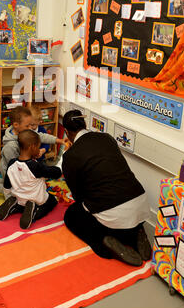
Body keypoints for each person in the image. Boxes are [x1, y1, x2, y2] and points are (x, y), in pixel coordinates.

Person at [61, 109, 152, 267]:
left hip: (112, 213)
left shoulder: (70, 156)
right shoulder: (106, 138)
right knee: (118, 209)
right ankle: (137, 232)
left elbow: (78, 196)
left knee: (72, 215)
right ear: (85, 124)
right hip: (139, 200)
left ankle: (104, 243)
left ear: (67, 132)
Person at [0, 130, 61, 229]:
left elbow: (7, 185)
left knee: (20, 204)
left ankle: (13, 206)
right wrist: (61, 162)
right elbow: (55, 173)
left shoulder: (11, 163)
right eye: (38, 147)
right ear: (32, 147)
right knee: (52, 201)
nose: (39, 150)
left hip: (19, 199)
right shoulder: (36, 166)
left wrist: (8, 195)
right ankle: (34, 212)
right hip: (35, 200)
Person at [0, 106, 66, 181]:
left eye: (30, 125)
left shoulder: (25, 131)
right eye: (27, 125)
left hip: (23, 170)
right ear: (16, 125)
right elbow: (15, 168)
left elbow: (41, 136)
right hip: (13, 176)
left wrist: (59, 140)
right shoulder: (10, 146)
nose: (30, 128)